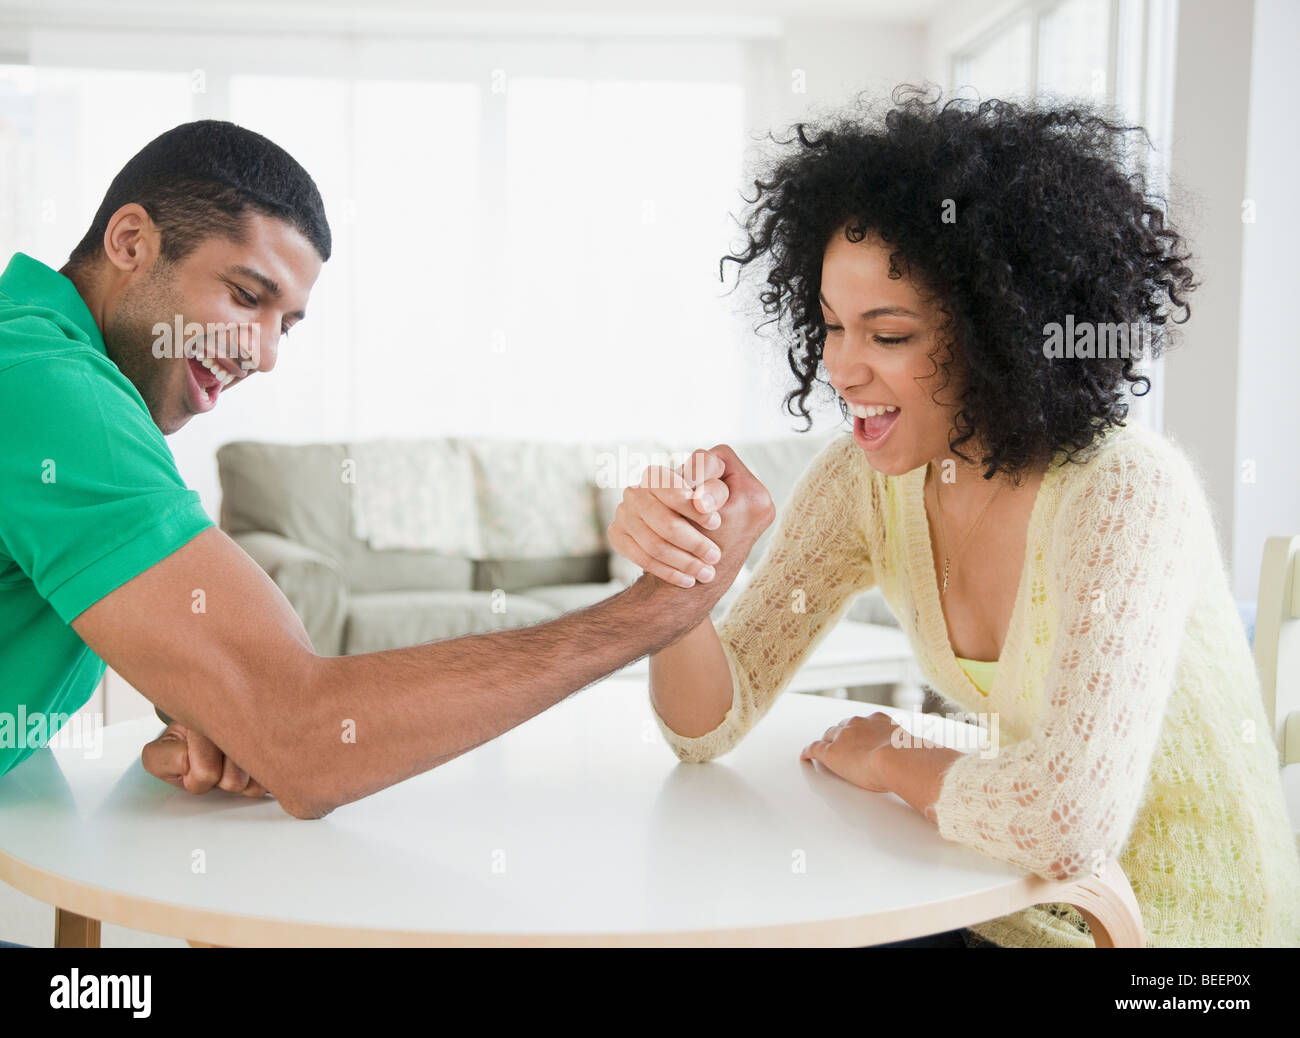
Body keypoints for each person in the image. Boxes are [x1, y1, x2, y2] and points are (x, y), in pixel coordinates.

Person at [607, 87, 1300, 948]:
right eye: (830, 326)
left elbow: (1067, 820)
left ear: (997, 333)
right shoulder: (865, 482)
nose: (844, 369)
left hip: (1180, 948)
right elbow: (707, 728)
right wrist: (681, 575)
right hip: (1007, 906)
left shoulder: (1125, 489)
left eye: (887, 335)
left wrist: (897, 760)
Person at [0, 119, 775, 819]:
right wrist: (654, 613)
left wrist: (222, 704)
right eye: (246, 296)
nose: (263, 356)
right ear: (131, 242)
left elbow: (262, 702)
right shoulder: (49, 386)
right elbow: (305, 736)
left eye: (287, 328)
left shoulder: (56, 367)